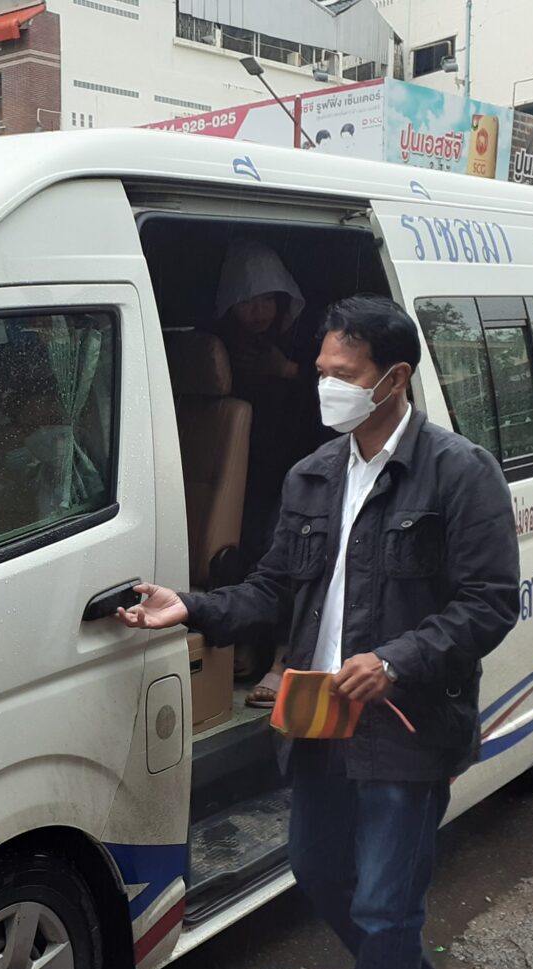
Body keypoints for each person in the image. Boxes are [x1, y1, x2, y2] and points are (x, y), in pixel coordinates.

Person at [118, 295, 520, 969]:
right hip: (318, 712)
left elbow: (489, 602)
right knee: (318, 867)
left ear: (394, 379)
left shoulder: (458, 473)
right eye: (322, 372)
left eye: (344, 375)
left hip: (406, 721)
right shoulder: (313, 475)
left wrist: (398, 660)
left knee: (384, 898)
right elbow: (271, 590)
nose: (326, 387)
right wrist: (188, 608)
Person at [213, 239, 330, 706]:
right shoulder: (228, 348)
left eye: (265, 300)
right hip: (252, 466)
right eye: (245, 303)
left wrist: (288, 371)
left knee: (287, 554)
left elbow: (331, 408)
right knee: (239, 547)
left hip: (306, 465)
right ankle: (243, 644)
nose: (257, 312)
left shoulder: (310, 341)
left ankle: (284, 658)